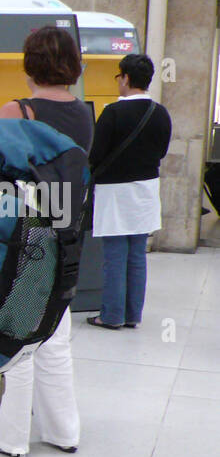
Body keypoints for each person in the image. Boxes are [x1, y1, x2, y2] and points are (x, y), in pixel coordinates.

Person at [0, 26, 93, 457]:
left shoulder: (19, 111)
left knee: (20, 335)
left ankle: (10, 438)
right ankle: (63, 430)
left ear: (30, 62)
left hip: (28, 230)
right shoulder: (83, 112)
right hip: (68, 226)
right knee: (56, 334)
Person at [87, 54, 173, 329]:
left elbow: (96, 154)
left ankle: (111, 315)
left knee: (114, 255)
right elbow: (161, 151)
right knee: (137, 254)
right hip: (145, 190)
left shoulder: (112, 112)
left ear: (124, 78)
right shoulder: (160, 113)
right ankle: (132, 314)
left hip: (114, 192)